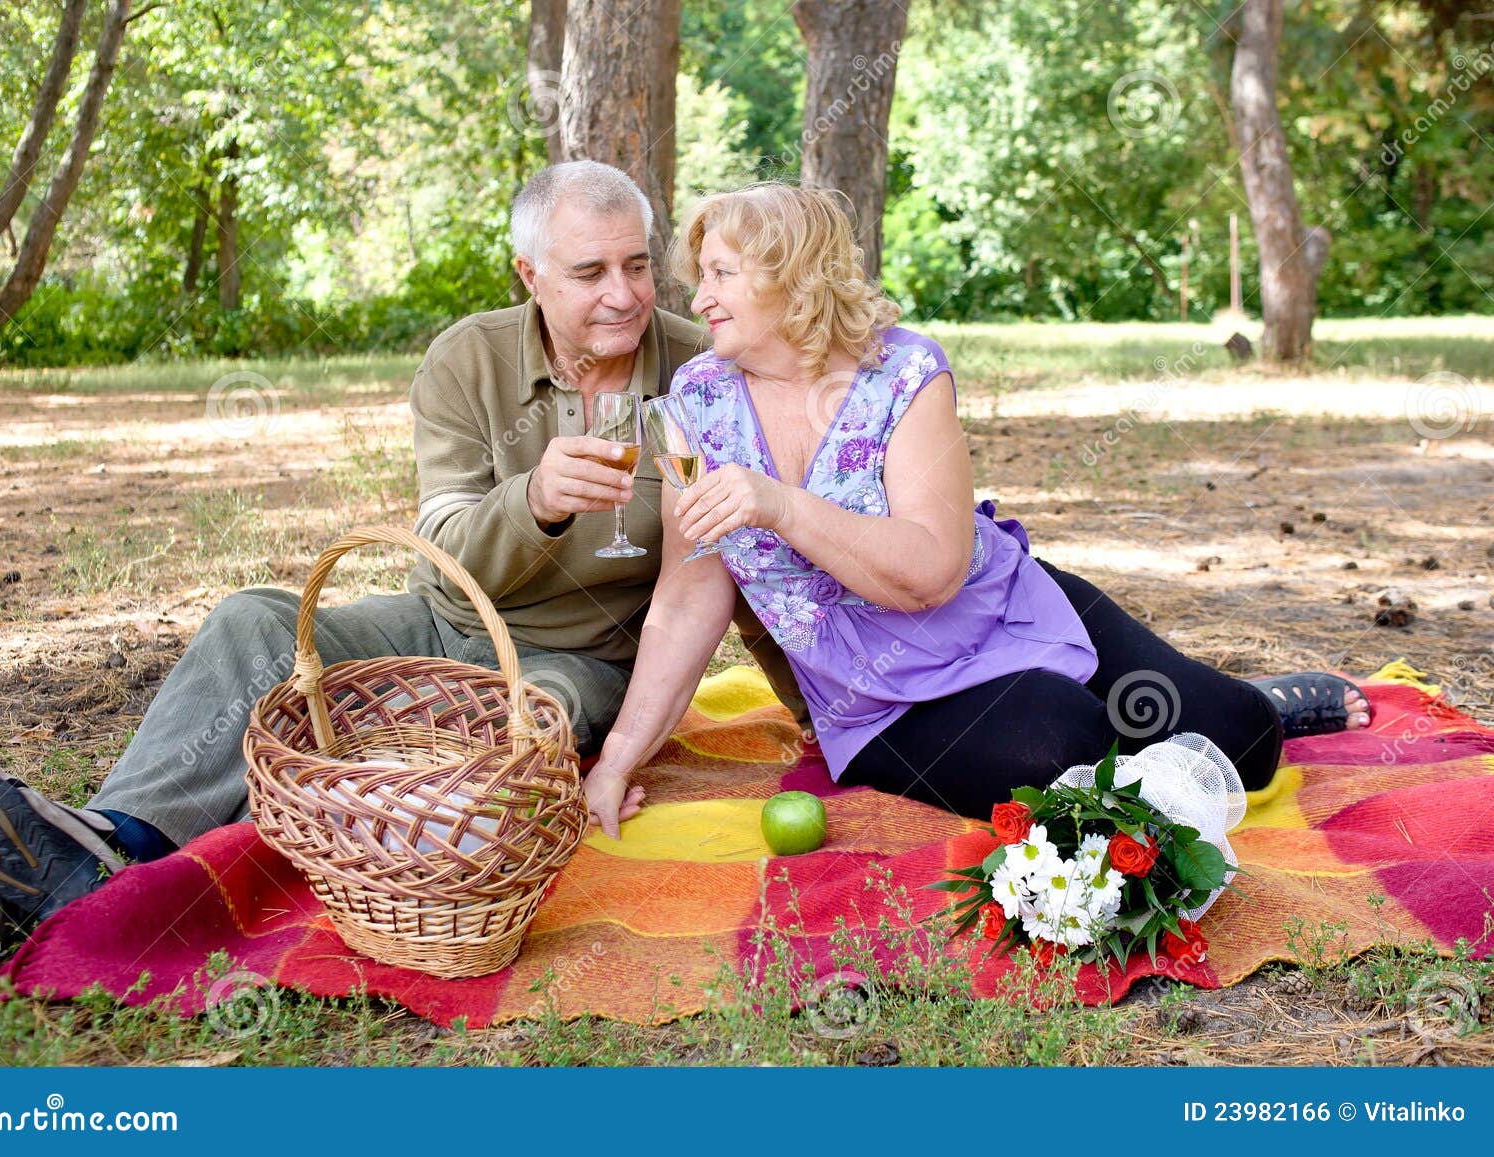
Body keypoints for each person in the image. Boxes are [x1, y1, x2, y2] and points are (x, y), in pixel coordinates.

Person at [0, 161, 805, 955]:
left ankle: (91, 874)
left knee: (520, 724)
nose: (625, 293)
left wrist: (834, 716)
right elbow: (446, 542)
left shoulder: (703, 371)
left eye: (638, 264)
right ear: (530, 275)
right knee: (254, 624)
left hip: (576, 660)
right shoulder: (466, 360)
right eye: (590, 272)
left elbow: (750, 565)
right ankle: (114, 840)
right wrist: (532, 500)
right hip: (442, 619)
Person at [583, 183, 1371, 837]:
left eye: (721, 274)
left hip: (994, 603)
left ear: (793, 278)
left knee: (1241, 738)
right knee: (1062, 748)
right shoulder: (695, 404)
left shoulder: (905, 372)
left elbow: (930, 573)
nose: (700, 296)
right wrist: (616, 759)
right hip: (881, 695)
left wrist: (781, 505)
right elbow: (686, 600)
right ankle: (1134, 748)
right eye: (700, 275)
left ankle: (1260, 703)